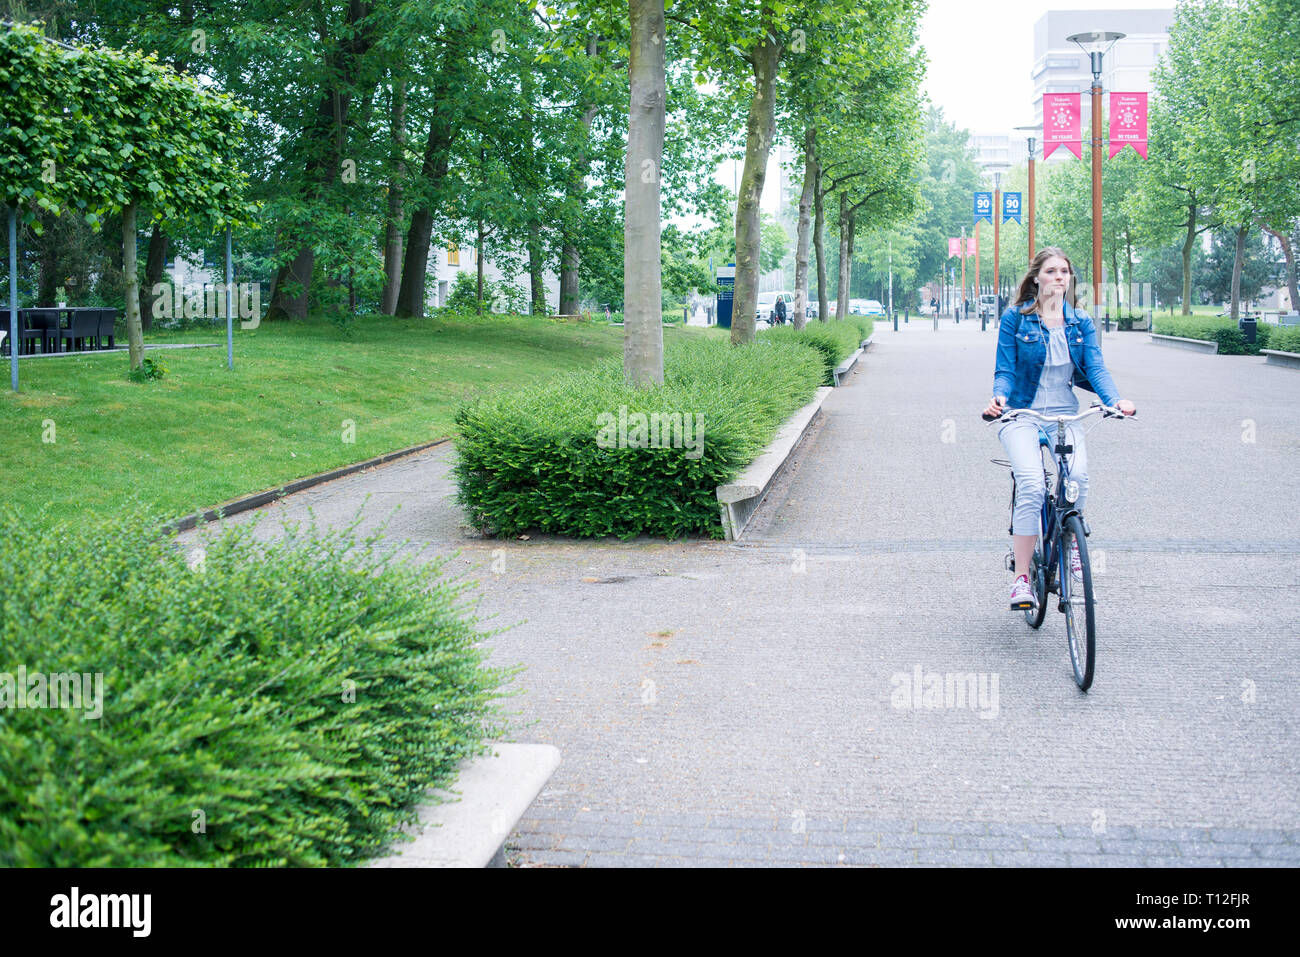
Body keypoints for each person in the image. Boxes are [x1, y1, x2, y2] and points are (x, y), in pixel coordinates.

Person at [981, 247, 1136, 612]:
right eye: (1051, 271)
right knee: (1033, 484)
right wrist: (999, 399)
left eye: (1064, 271)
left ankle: (1069, 546)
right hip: (1021, 413)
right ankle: (1021, 577)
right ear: (1037, 278)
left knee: (1077, 478)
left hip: (1065, 415)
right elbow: (1004, 369)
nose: (1059, 277)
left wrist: (1115, 400)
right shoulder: (1016, 319)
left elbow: (1096, 368)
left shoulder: (1079, 322)